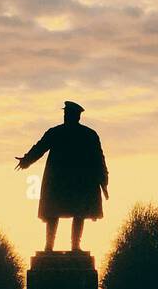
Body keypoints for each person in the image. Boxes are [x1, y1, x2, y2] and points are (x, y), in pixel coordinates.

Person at [15, 101, 109, 251]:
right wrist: (26, 160)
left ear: (76, 116)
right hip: (68, 182)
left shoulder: (81, 134)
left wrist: (103, 178)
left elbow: (98, 158)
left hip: (69, 182)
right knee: (60, 212)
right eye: (65, 113)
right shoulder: (85, 134)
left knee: (70, 213)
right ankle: (54, 246)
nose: (66, 116)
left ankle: (70, 246)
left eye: (68, 113)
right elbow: (40, 148)